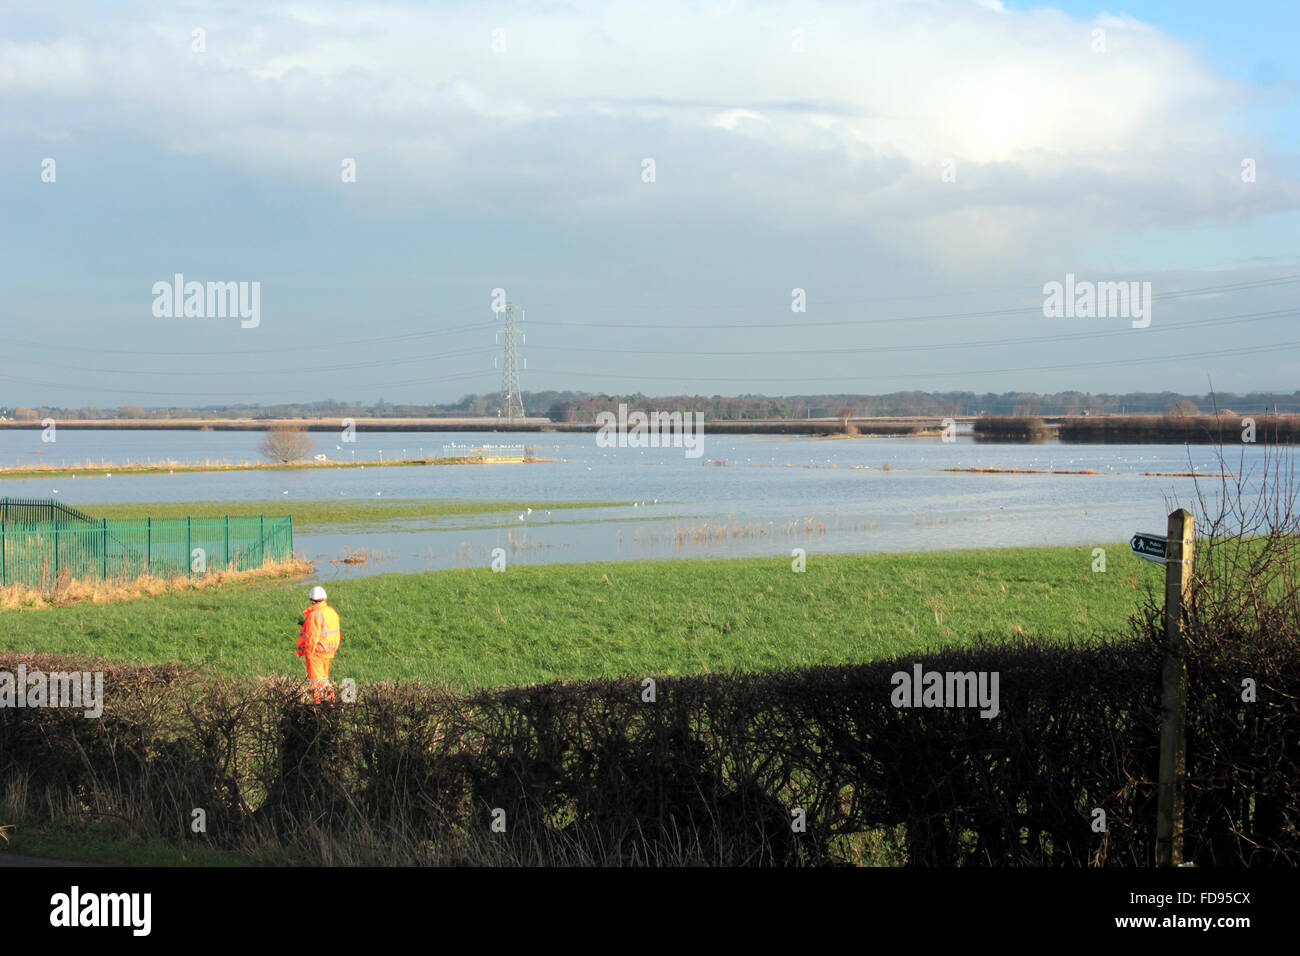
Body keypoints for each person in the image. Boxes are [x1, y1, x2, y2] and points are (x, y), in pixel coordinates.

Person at [297, 585, 341, 703]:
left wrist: (308, 654)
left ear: (311, 599)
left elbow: (312, 637)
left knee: (316, 683)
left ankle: (320, 708)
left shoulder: (314, 615)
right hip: (328, 652)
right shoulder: (331, 612)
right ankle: (332, 704)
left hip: (316, 654)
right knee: (324, 681)